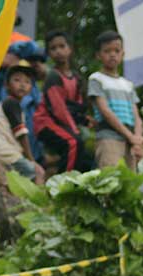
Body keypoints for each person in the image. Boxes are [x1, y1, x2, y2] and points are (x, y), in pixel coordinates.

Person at [34, 30, 92, 174]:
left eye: (62, 46)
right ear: (49, 54)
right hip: (45, 123)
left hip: (63, 123)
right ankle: (63, 185)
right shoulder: (53, 77)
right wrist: (75, 129)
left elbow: (76, 107)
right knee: (73, 143)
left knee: (87, 156)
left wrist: (86, 121)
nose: (58, 51)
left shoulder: (76, 78)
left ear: (69, 49)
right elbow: (59, 109)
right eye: (53, 48)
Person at [88, 30, 143, 169]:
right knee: (111, 178)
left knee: (130, 181)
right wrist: (131, 137)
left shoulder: (128, 84)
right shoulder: (96, 79)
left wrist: (137, 140)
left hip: (130, 140)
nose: (112, 54)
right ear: (98, 55)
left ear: (123, 54)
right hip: (109, 136)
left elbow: (136, 116)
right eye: (107, 51)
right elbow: (105, 112)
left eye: (117, 50)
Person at [0, 60, 44, 184]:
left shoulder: (11, 104)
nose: (22, 85)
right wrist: (31, 160)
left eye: (27, 82)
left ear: (31, 88)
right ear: (7, 85)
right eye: (17, 80)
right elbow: (21, 133)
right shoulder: (11, 103)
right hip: (0, 149)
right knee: (37, 172)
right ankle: (39, 202)